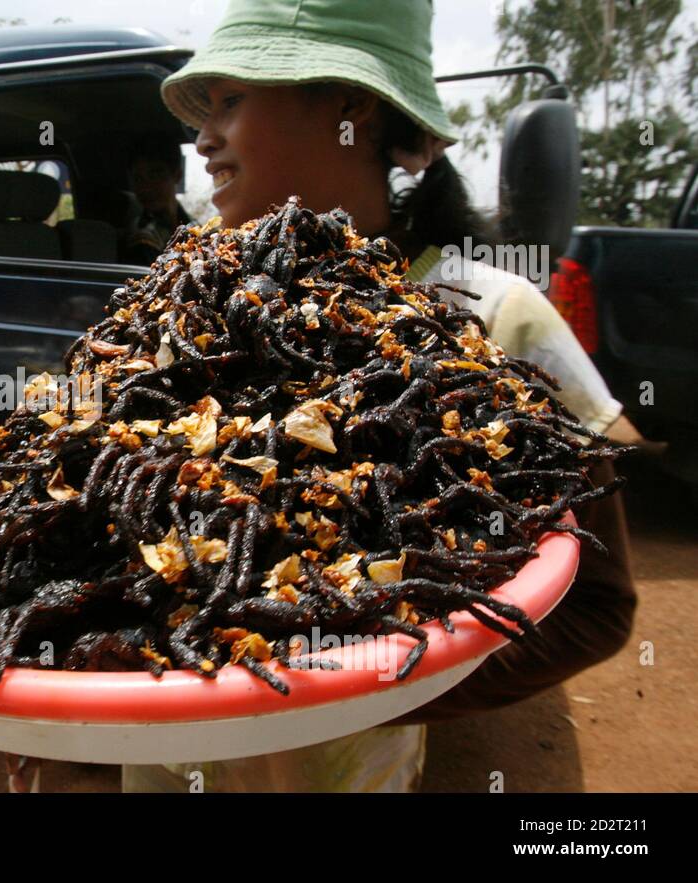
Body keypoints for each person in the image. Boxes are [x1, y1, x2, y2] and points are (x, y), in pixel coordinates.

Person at [123, 0, 637, 792]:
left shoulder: (489, 315)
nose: (203, 139)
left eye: (231, 102)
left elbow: (594, 608)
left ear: (349, 106)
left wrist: (346, 693)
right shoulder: (176, 304)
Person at [123, 134, 192, 265]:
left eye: (155, 175)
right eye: (138, 179)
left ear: (177, 175)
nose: (146, 188)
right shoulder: (143, 237)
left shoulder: (191, 225)